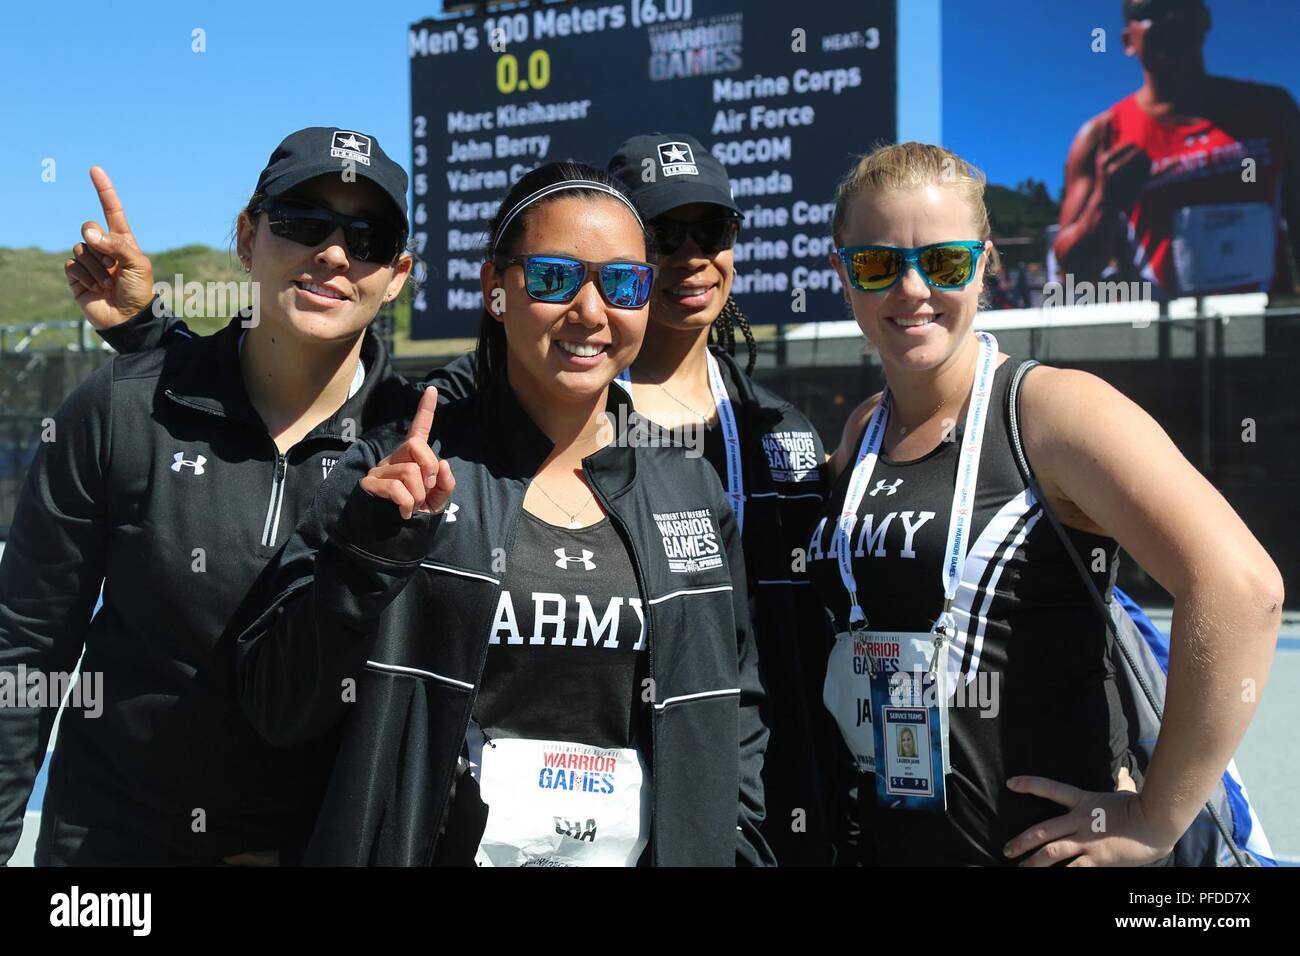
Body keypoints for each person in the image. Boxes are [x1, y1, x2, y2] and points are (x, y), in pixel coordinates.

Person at [107, 133, 838, 865]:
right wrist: (365, 554)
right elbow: (277, 704)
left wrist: (733, 837)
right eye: (553, 278)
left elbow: (734, 703)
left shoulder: (688, 488)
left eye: (623, 283)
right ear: (497, 287)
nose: (590, 311)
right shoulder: (402, 468)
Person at [812, 141, 1281, 865]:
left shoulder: (1053, 411)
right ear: (844, 275)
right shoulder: (863, 428)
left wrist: (1154, 818)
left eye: (943, 262)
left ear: (986, 262)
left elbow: (1241, 589)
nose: (911, 290)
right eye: (876, 264)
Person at [0, 127, 417, 864]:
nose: (333, 253)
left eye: (368, 237)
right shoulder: (118, 412)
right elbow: (25, 656)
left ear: (398, 273)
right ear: (248, 237)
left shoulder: (419, 448)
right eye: (302, 222)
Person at [1056, 0, 1300, 300]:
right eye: (1151, 12)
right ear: (1127, 40)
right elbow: (1073, 272)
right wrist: (1105, 203)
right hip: (1166, 335)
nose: (1170, 18)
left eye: (1181, 5)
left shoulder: (1272, 110)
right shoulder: (1101, 137)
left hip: (1271, 330)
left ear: (1204, 19)